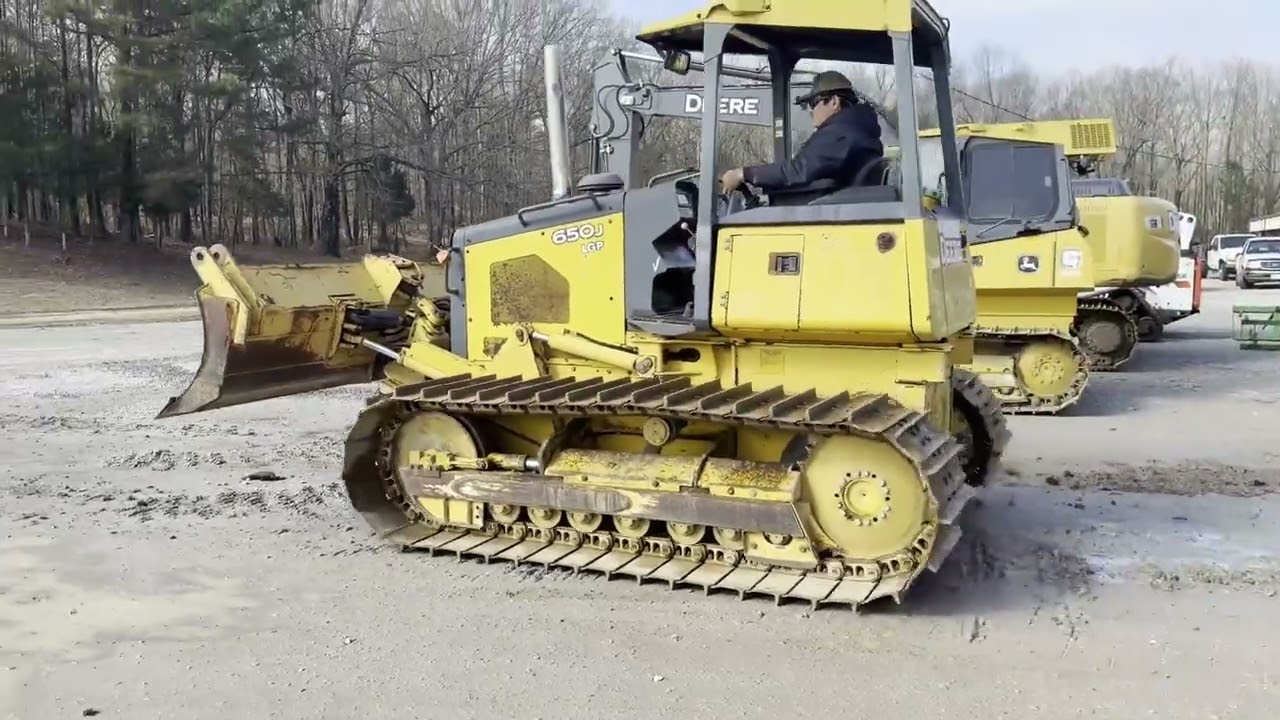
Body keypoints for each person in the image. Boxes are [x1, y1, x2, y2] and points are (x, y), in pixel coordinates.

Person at [720, 70, 884, 195]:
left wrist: (744, 173)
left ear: (834, 102)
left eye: (814, 103)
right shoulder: (857, 130)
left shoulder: (839, 134)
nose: (812, 111)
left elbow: (798, 171)